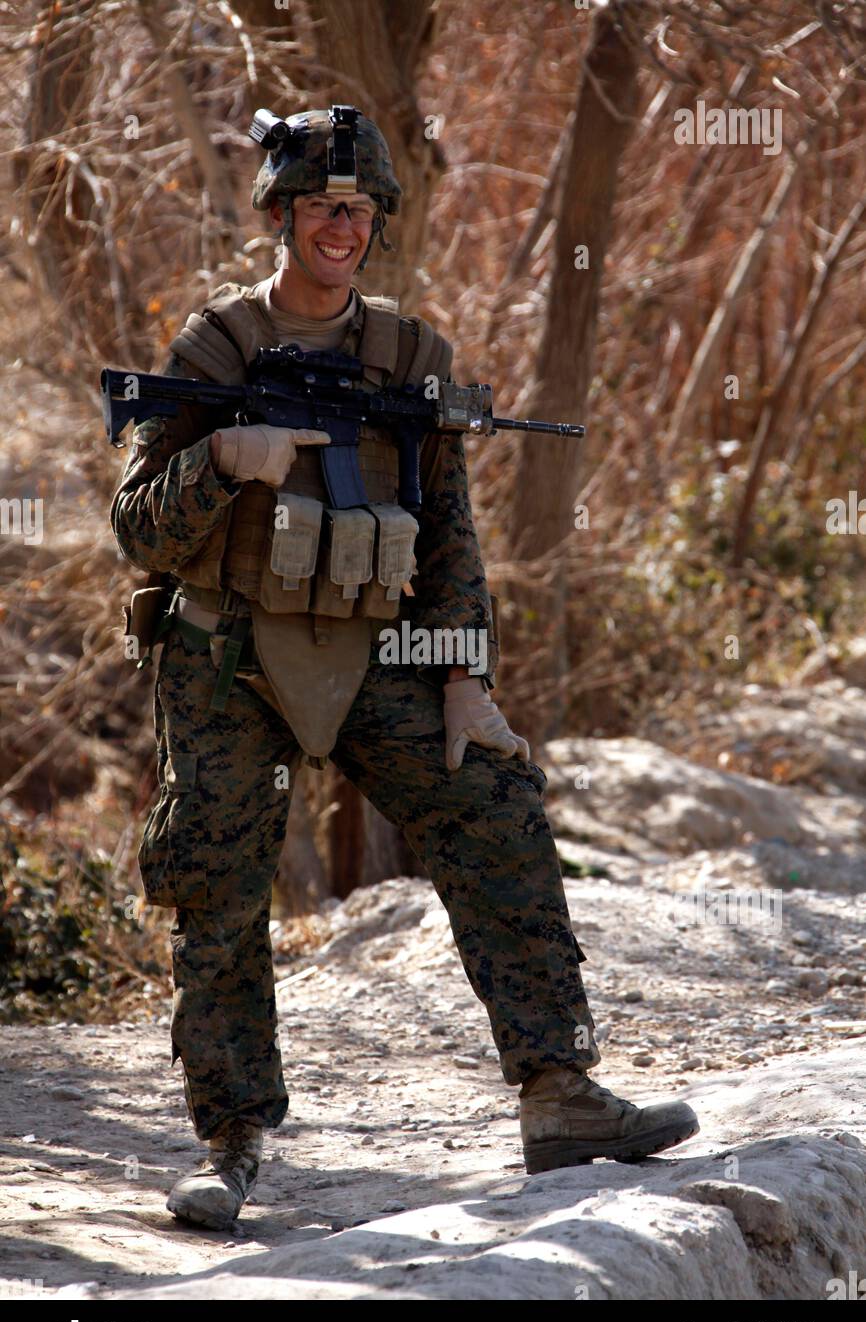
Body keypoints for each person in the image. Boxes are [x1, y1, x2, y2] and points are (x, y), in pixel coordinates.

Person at [109, 105, 699, 1232]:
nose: (342, 226)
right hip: (226, 651)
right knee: (217, 878)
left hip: (381, 644)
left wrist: (464, 678)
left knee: (494, 799)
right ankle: (231, 1137)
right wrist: (226, 462)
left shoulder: (411, 359)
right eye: (323, 206)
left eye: (361, 209)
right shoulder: (215, 349)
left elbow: (448, 539)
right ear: (281, 213)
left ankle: (559, 1092)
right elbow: (138, 532)